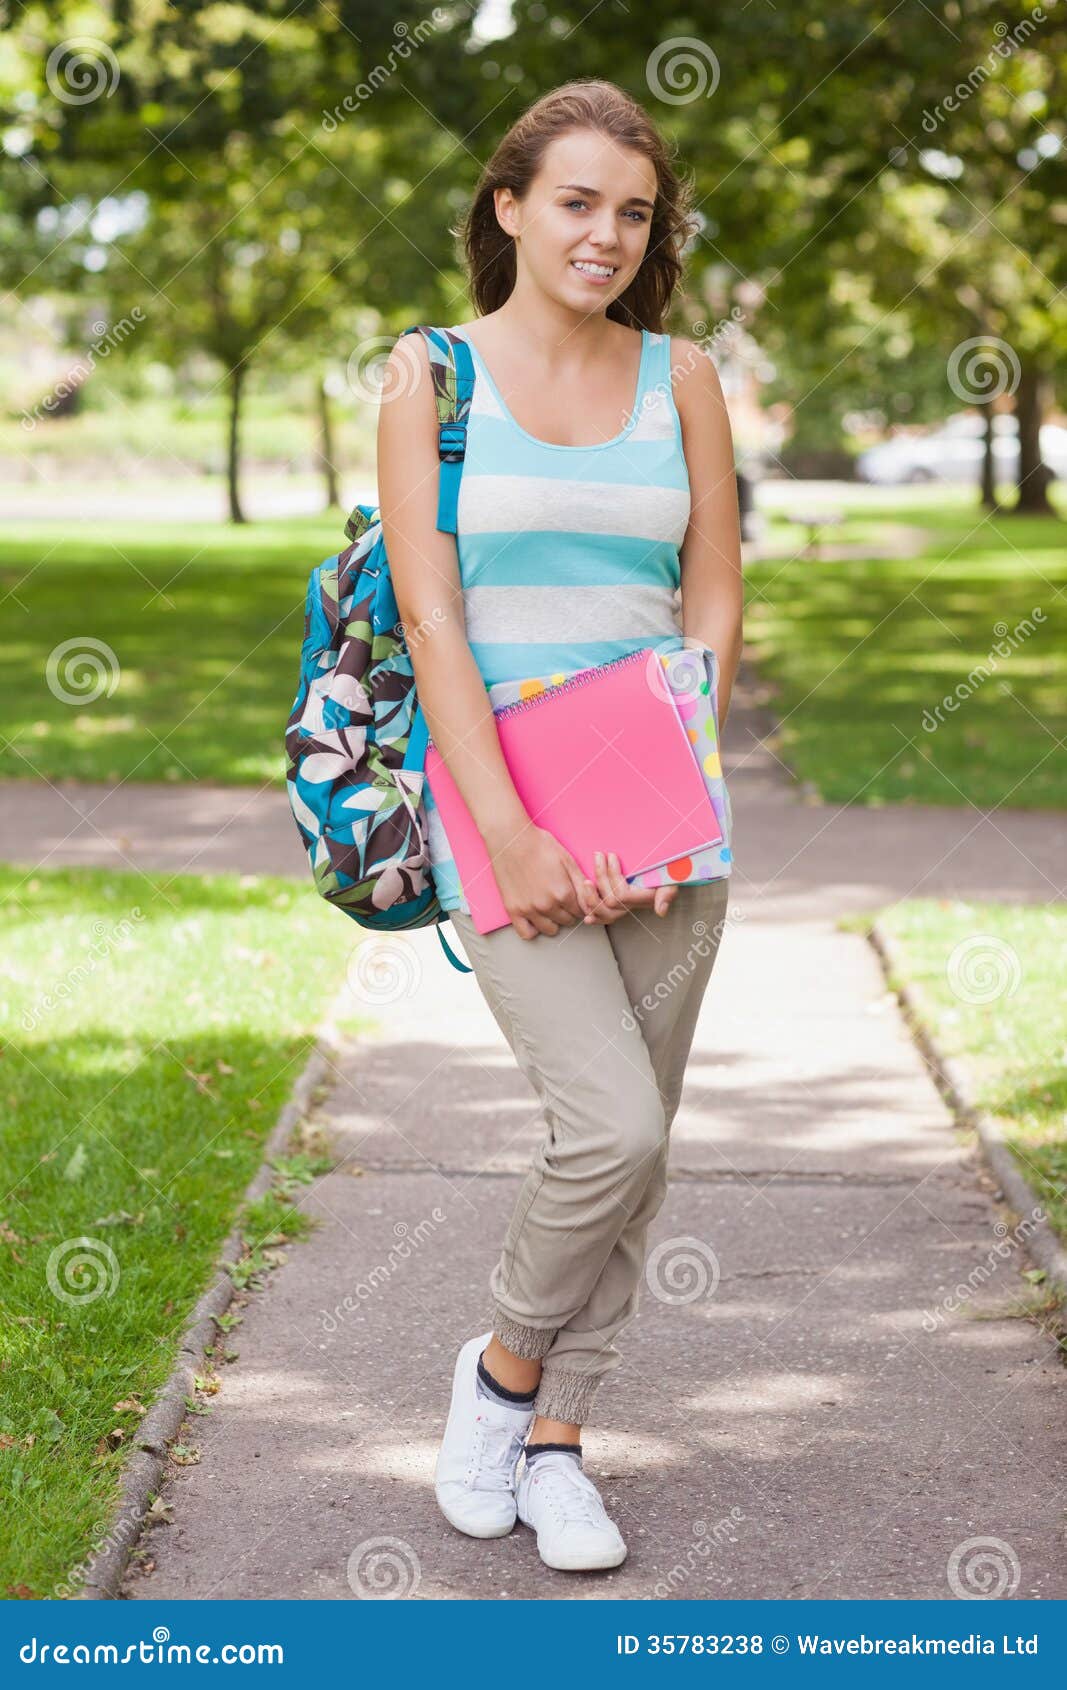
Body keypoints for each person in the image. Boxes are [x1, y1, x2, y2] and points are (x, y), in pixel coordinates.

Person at [377, 79, 743, 1573]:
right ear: (512, 204)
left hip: (661, 809)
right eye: (578, 201)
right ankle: (505, 1368)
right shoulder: (428, 376)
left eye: (635, 211)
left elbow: (714, 580)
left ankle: (556, 1436)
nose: (607, 233)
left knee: (642, 1160)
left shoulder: (687, 374)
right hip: (503, 808)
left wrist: (675, 746)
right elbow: (429, 613)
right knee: (612, 1125)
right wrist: (519, 832)